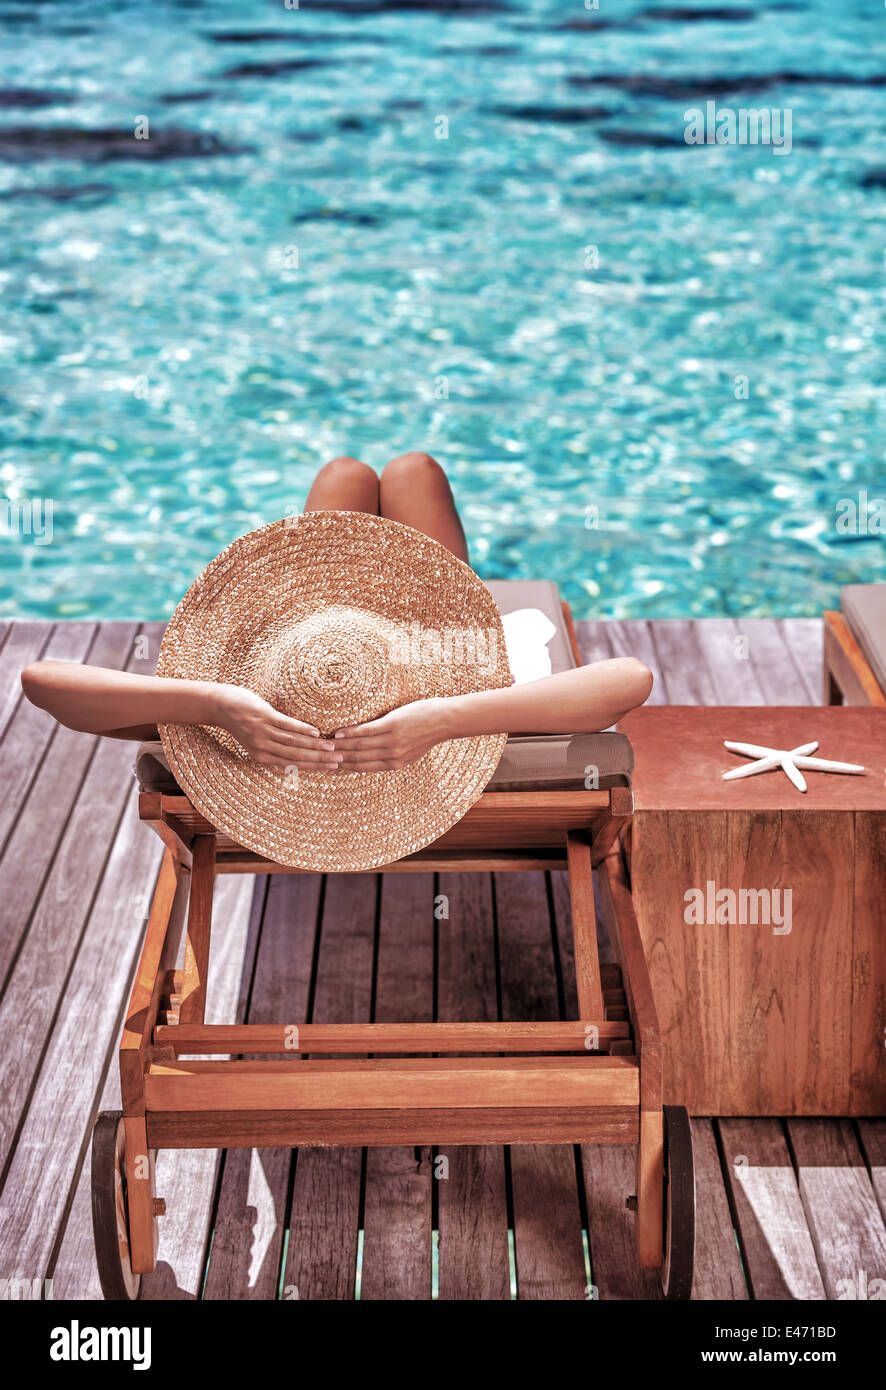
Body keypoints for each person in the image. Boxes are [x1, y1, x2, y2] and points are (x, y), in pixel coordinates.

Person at [20, 451, 653, 772]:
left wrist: (216, 704)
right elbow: (629, 680)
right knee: (412, 472)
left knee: (348, 474)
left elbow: (43, 681)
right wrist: (441, 718)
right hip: (430, 655)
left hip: (314, 630)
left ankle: (338, 584)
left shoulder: (255, 717)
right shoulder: (459, 705)